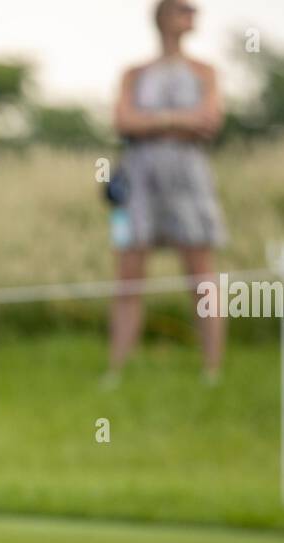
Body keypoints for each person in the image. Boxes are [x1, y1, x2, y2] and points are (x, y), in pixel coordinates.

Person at [107, 0, 228, 386]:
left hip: (189, 178)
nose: (192, 15)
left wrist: (150, 121)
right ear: (163, 17)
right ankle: (116, 370)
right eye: (184, 9)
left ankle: (212, 370)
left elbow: (209, 122)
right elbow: (122, 121)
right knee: (129, 275)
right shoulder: (134, 73)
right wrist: (180, 120)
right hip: (139, 179)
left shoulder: (205, 71)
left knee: (201, 276)